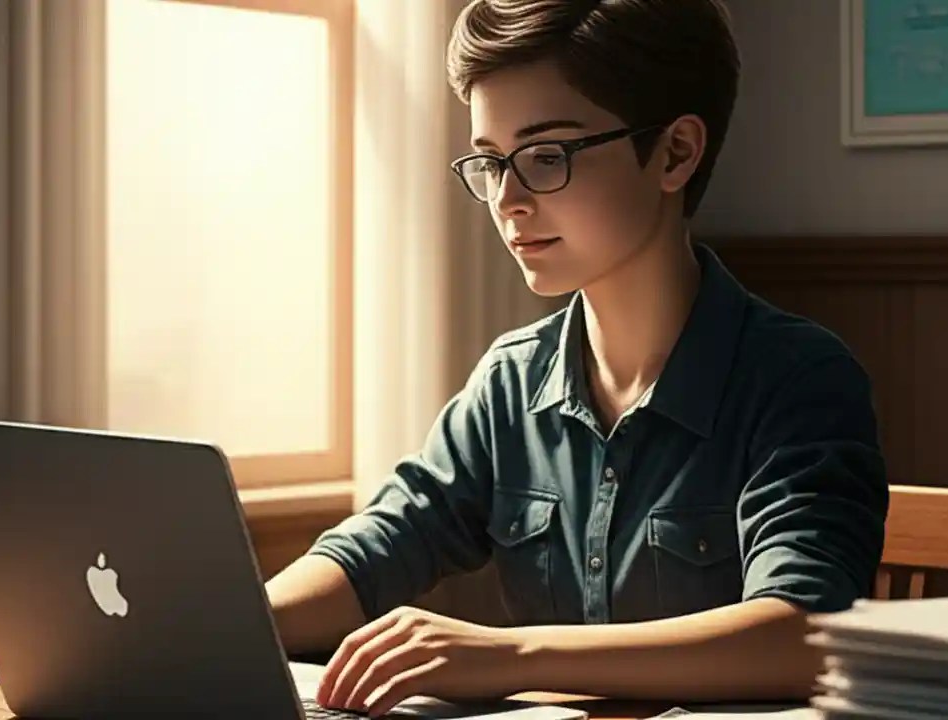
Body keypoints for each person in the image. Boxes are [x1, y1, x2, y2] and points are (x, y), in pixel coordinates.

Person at [264, 0, 888, 715]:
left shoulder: (797, 379)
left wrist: (508, 656)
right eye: (491, 161)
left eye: (545, 156)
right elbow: (376, 548)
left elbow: (801, 635)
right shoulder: (511, 381)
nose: (507, 199)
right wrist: (227, 628)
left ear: (676, 153)